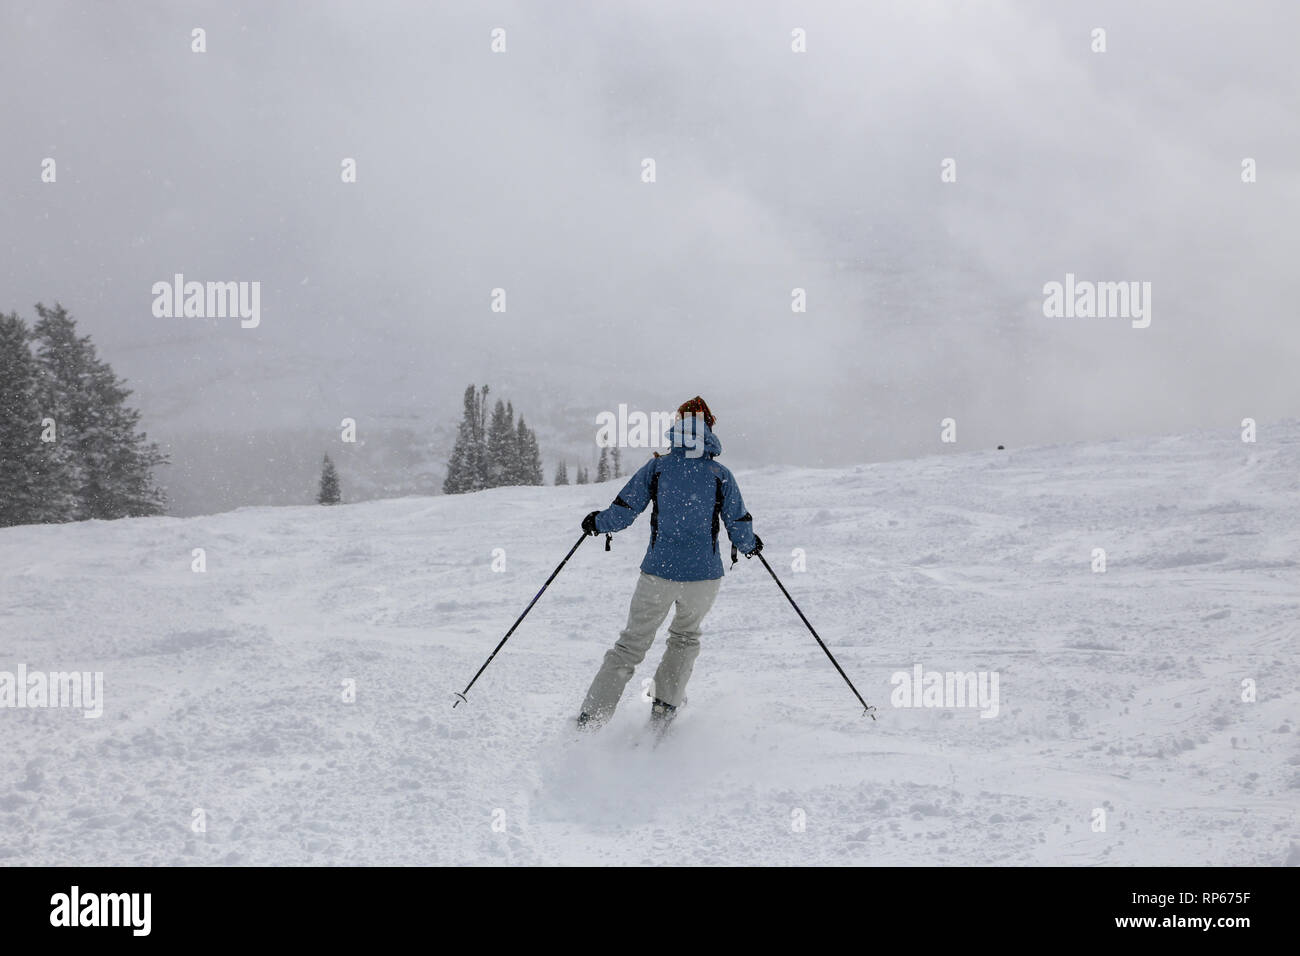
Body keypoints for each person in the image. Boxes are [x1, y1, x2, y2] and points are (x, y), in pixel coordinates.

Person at [577, 396, 761, 730]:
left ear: (678, 425)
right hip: (704, 578)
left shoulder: (658, 468)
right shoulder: (720, 474)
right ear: (709, 427)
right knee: (685, 639)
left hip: (659, 573)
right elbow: (738, 523)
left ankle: (591, 719)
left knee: (630, 645)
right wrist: (750, 544)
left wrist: (597, 523)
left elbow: (625, 509)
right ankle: (664, 709)